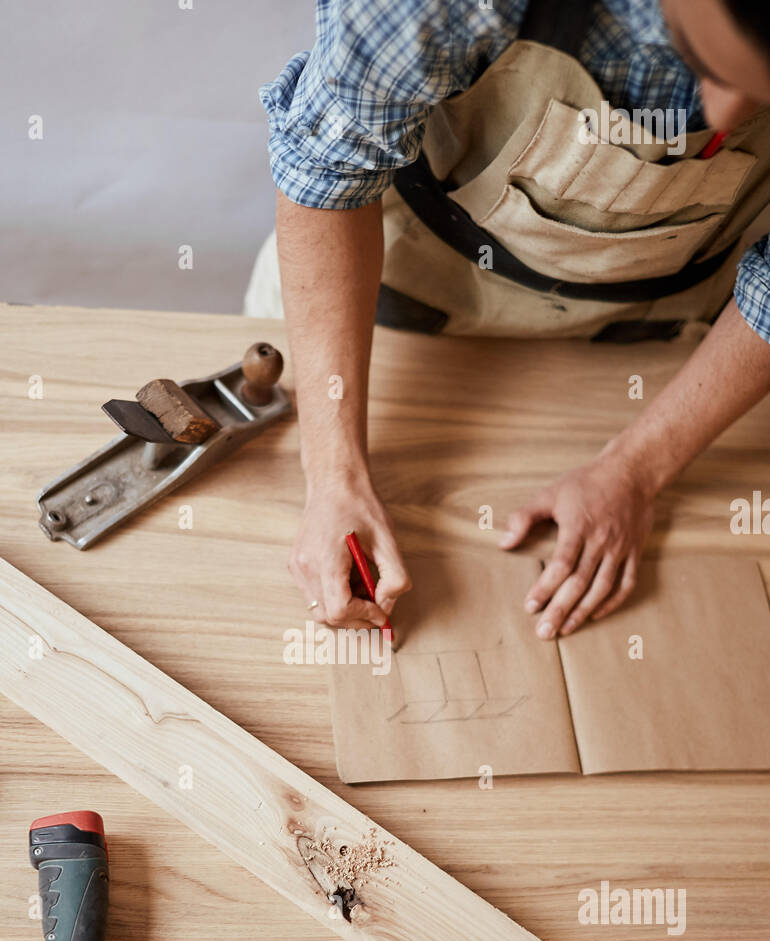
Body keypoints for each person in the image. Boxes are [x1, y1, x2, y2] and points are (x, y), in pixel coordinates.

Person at [247, 0, 770, 637]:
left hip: (659, 333)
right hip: (389, 287)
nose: (725, 116)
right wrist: (334, 478)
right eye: (708, 66)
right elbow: (330, 172)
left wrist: (636, 469)